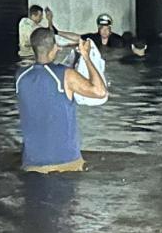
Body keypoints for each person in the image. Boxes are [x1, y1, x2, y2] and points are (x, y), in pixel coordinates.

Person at [16, 28, 107, 173]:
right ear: (53, 48)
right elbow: (100, 91)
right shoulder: (65, 75)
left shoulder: (20, 77)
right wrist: (86, 57)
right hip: (66, 164)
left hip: (31, 164)